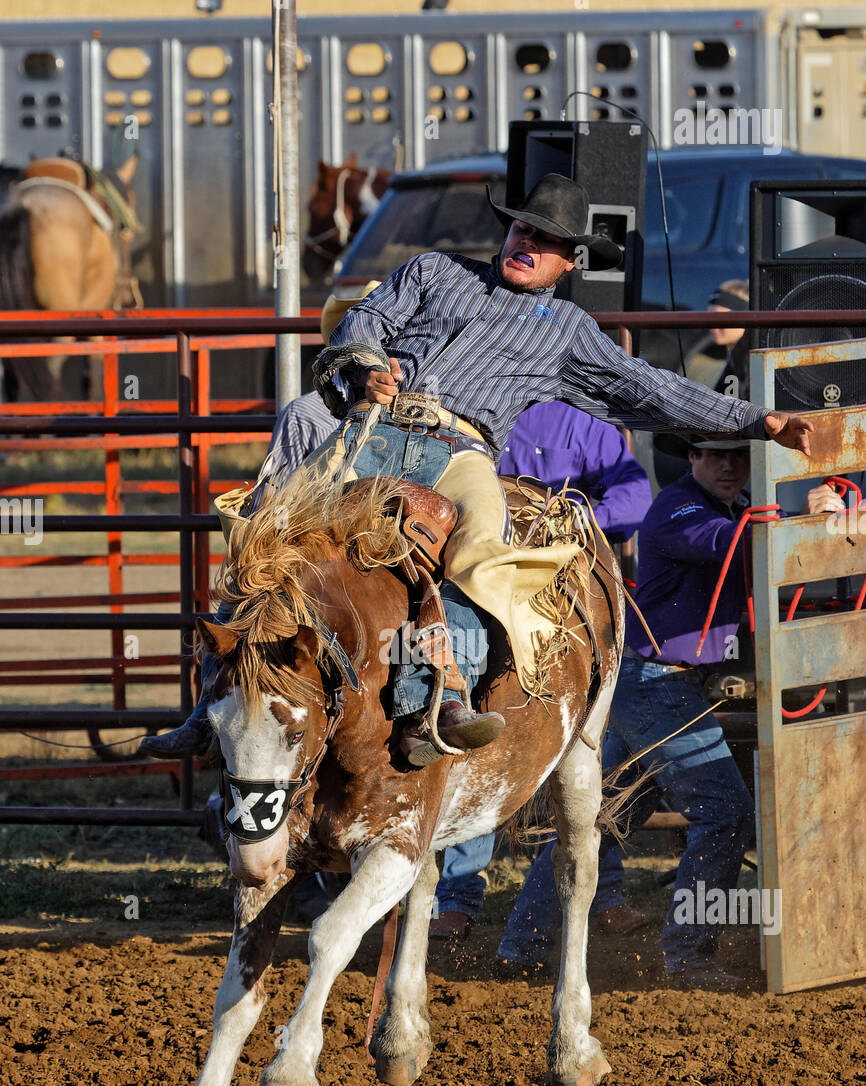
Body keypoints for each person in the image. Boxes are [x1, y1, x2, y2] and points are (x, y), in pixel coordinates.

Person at [143, 172, 812, 774]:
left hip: (460, 450)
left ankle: (445, 696)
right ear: (508, 229)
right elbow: (365, 319)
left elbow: (651, 389)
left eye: (547, 240)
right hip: (371, 428)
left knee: (479, 547)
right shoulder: (435, 272)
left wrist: (758, 421)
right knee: (267, 536)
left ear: (569, 261)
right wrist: (369, 360)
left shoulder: (568, 331)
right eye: (524, 228)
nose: (529, 244)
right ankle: (214, 701)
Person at [496, 436, 841, 988]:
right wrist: (803, 520)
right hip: (659, 684)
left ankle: (521, 945)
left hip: (656, 682)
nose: (728, 465)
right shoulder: (679, 510)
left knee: (595, 820)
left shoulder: (728, 506)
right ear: (693, 458)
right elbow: (739, 547)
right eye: (714, 454)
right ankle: (690, 955)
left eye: (738, 455)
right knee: (725, 814)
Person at [430, 404, 652, 939]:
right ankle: (457, 894)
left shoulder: (577, 422)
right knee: (482, 725)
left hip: (560, 597)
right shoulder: (460, 410)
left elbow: (634, 495)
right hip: (475, 590)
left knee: (578, 743)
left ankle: (600, 890)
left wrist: (571, 527)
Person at [654, 280, 750, 488]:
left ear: (743, 316)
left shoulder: (749, 361)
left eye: (720, 318)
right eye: (709, 316)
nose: (713, 326)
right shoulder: (707, 360)